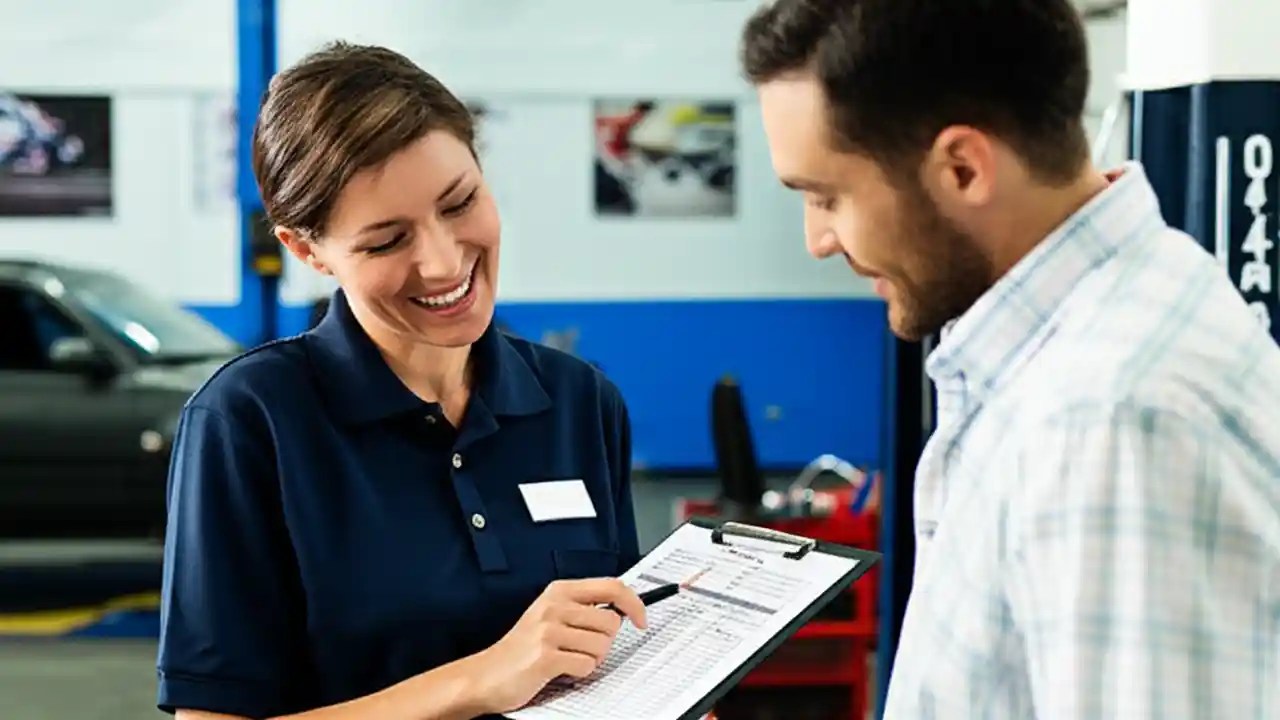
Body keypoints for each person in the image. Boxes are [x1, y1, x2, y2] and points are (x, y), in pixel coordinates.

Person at [741, 1, 1280, 718]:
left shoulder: (1104, 420)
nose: (819, 240)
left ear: (963, 168)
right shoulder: (1097, 332)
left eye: (827, 197)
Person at [156, 41, 648, 719]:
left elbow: (617, 660)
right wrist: (475, 682)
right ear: (306, 248)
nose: (443, 263)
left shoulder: (579, 401)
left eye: (459, 202)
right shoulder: (250, 421)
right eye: (386, 241)